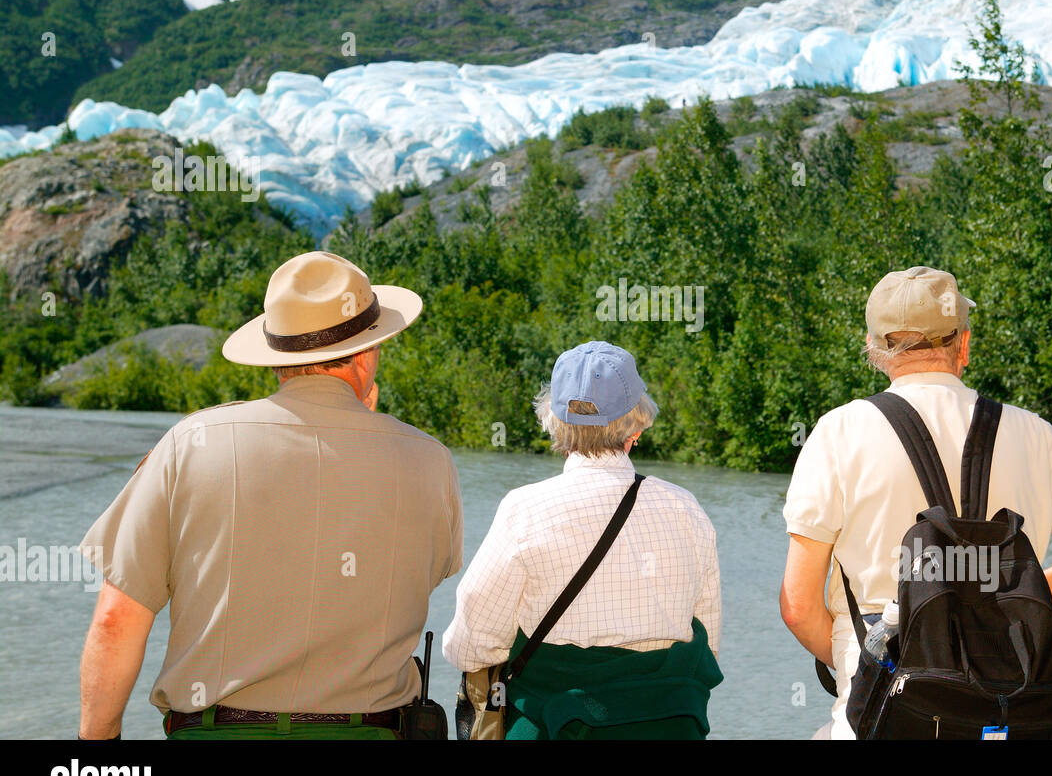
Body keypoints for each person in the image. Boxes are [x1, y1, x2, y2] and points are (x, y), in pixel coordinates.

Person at [77, 251, 464, 739]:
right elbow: (411, 583)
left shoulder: (188, 444)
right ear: (367, 354)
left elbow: (117, 618)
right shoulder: (430, 459)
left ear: (278, 358)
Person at [779, 265, 1052, 740]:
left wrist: (858, 661)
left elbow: (798, 607)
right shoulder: (1034, 435)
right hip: (1004, 711)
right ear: (963, 342)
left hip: (879, 712)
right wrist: (1026, 594)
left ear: (875, 350)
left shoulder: (838, 433)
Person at [443, 340, 722, 739]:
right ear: (638, 424)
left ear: (554, 422)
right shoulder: (687, 509)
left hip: (554, 725)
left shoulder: (525, 509)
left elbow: (473, 643)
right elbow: (707, 644)